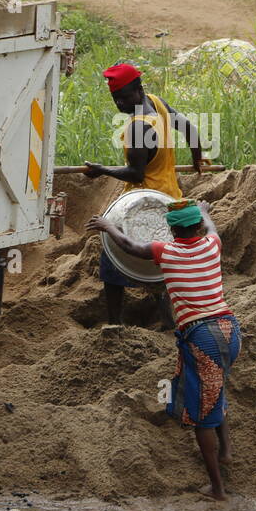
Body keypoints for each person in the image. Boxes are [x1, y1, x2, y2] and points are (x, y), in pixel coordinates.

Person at [88, 199, 241, 500]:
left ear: (171, 230)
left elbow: (131, 247)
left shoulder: (166, 251)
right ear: (198, 227)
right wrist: (207, 212)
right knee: (215, 387)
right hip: (230, 330)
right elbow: (211, 227)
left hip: (202, 336)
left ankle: (218, 489)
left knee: (201, 416)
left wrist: (108, 226)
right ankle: (226, 451)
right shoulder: (212, 245)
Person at [84, 62, 207, 326]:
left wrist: (101, 170)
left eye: (124, 97)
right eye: (115, 98)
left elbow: (135, 174)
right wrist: (198, 156)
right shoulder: (156, 103)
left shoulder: (138, 128)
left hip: (143, 205)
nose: (120, 103)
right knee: (159, 265)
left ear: (138, 89)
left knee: (112, 265)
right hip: (172, 200)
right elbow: (189, 129)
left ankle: (115, 323)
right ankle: (168, 321)